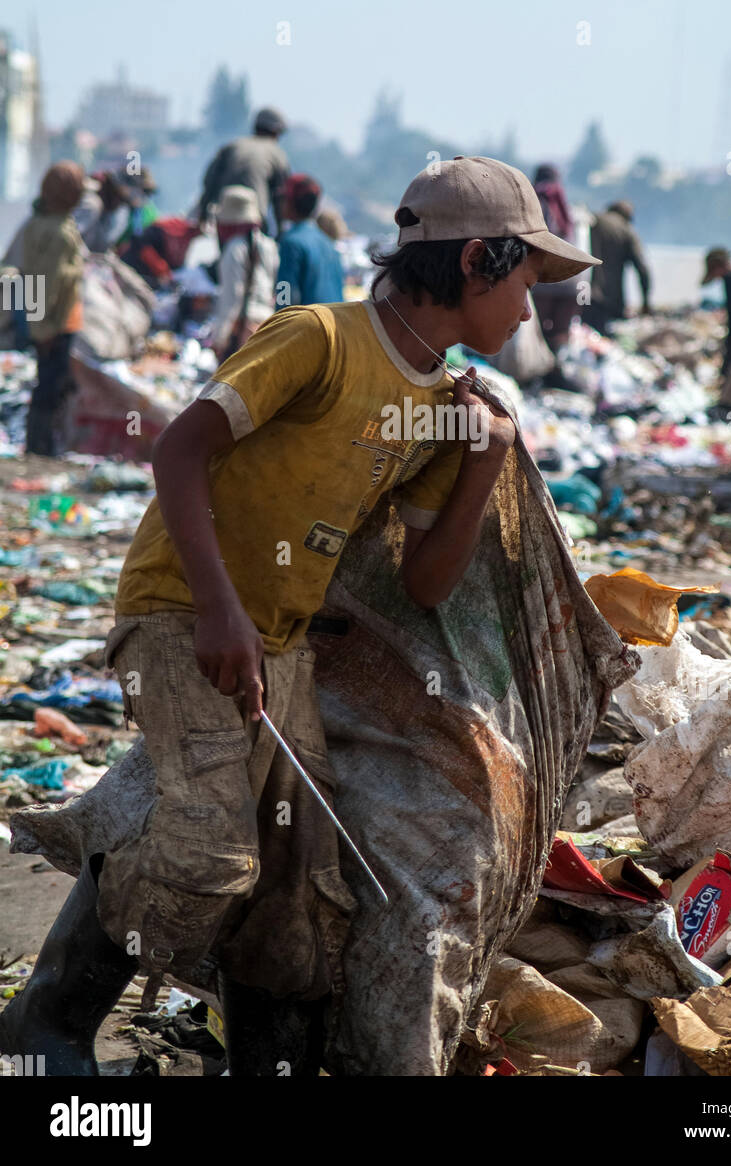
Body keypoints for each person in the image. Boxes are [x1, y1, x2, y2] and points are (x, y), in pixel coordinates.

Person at [0, 155, 597, 1077]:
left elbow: (429, 584)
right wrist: (219, 613)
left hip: (278, 645)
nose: (528, 309)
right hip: (181, 613)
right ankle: (45, 1027)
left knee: (298, 895)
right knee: (205, 852)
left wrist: (484, 461)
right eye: (523, 280)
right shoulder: (318, 339)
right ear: (478, 260)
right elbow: (179, 450)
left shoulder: (448, 407)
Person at [3, 162, 87, 455]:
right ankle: (40, 446)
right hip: (55, 323)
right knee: (50, 386)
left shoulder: (42, 223)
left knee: (50, 383)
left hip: (53, 320)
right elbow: (44, 282)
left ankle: (42, 443)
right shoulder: (57, 232)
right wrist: (43, 330)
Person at [209, 185, 279, 361]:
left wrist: (220, 338)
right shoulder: (269, 245)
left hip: (243, 330)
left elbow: (232, 297)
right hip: (266, 325)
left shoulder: (234, 249)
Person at [198, 107, 290, 233]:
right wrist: (281, 231)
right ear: (276, 132)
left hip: (223, 217)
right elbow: (281, 197)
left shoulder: (232, 146)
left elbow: (209, 182)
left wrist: (203, 215)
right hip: (254, 219)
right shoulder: (277, 154)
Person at [528, 163, 579, 356]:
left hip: (544, 280)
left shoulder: (534, 203)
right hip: (572, 282)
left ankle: (541, 371)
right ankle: (556, 369)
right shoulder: (566, 207)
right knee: (560, 334)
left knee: (537, 331)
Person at [275, 173, 345, 308]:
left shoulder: (291, 242)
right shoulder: (328, 243)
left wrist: (278, 325)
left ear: (290, 202)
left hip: (309, 326)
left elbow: (285, 297)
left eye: (283, 198)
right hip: (335, 324)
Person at [584, 200, 652, 335]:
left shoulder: (591, 221)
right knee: (602, 338)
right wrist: (645, 303)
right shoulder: (626, 230)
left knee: (581, 335)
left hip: (582, 291)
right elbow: (642, 269)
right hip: (607, 298)